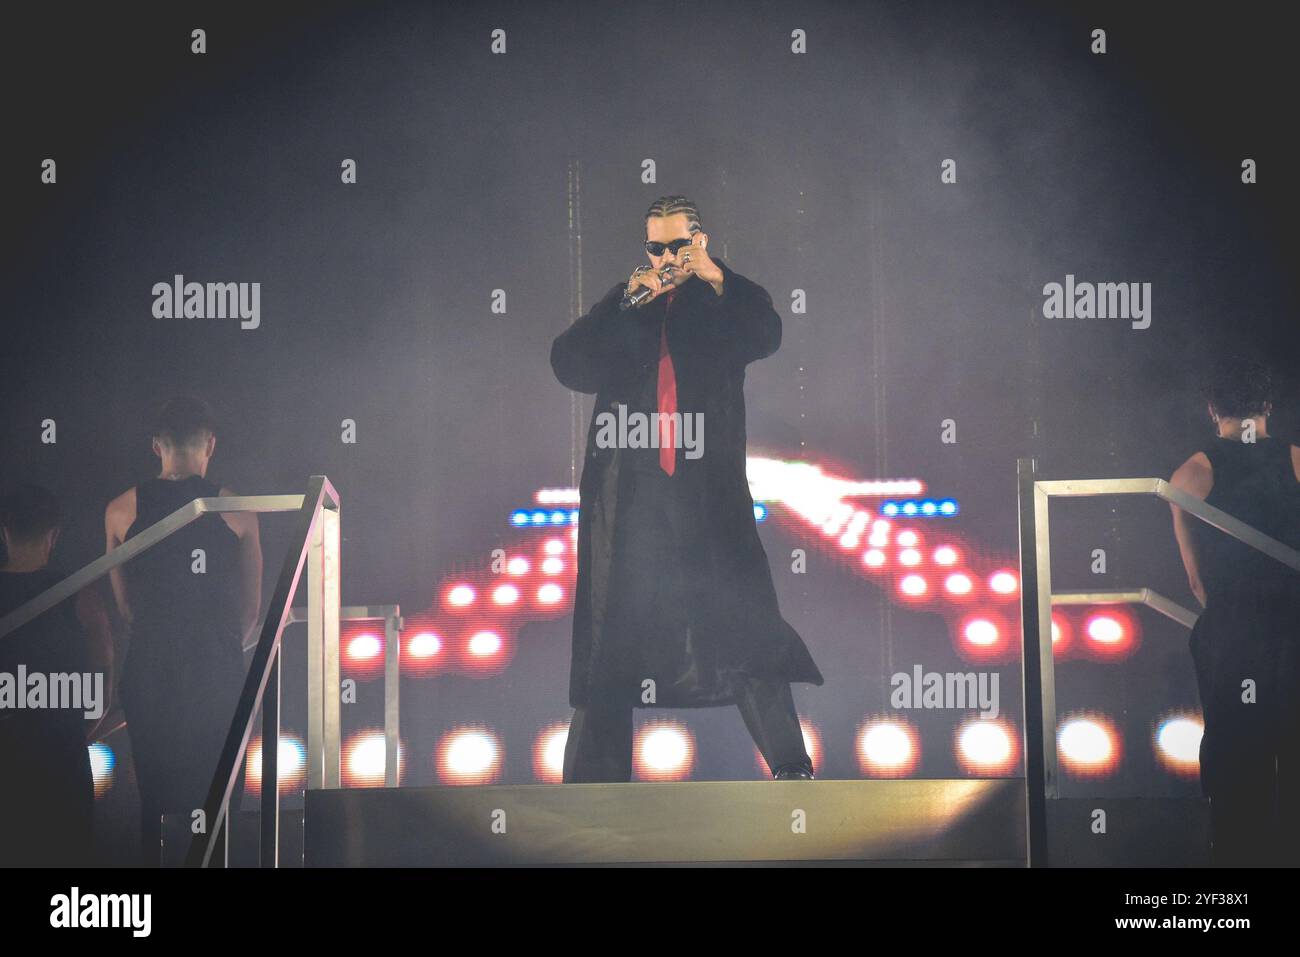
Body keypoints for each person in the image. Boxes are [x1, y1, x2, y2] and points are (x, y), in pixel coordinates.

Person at [551, 195, 823, 783]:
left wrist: (716, 277)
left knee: (743, 616)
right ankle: (590, 790)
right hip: (630, 494)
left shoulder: (723, 299)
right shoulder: (629, 302)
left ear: (699, 240)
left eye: (680, 244)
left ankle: (790, 767)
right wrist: (627, 302)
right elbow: (571, 365)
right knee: (612, 629)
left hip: (706, 492)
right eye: (658, 246)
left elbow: (765, 334)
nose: (668, 256)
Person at [104, 396, 261, 864]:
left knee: (154, 792)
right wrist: (217, 645)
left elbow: (127, 607)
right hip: (215, 665)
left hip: (152, 663)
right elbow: (251, 610)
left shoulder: (120, 510)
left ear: (157, 446)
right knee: (218, 788)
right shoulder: (237, 509)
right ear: (210, 444)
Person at [1169, 357, 1300, 866]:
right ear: (1268, 406)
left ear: (1211, 409)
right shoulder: (1297, 461)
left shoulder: (1191, 474)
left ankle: (1234, 872)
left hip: (1234, 634)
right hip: (1292, 627)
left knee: (1233, 750)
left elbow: (1197, 580)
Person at [0, 484, 113, 866]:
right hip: (60, 751)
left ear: (5, 532)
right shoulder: (80, 596)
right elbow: (104, 668)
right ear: (54, 536)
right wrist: (81, 730)